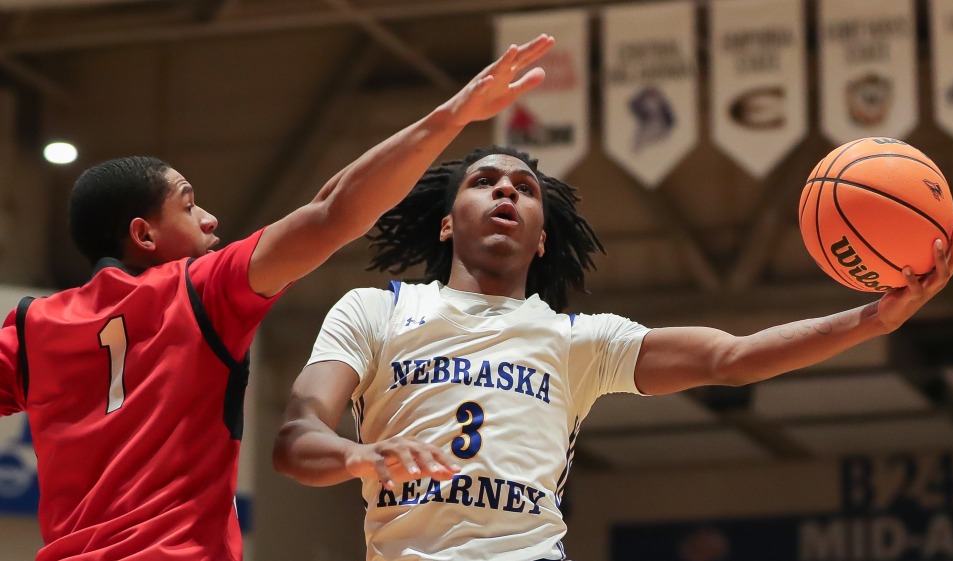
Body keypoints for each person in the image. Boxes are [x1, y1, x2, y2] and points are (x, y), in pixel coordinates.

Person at [0, 35, 555, 561]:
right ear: (144, 236)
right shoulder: (198, 290)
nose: (210, 218)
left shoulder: (30, 326)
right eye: (189, 205)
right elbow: (333, 210)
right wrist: (452, 116)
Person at [272, 145, 953, 561]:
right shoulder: (377, 310)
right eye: (484, 181)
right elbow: (295, 437)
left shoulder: (577, 340)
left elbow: (733, 356)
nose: (507, 188)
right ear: (448, 222)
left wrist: (875, 319)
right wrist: (355, 457)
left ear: (542, 236)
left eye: (526, 187)